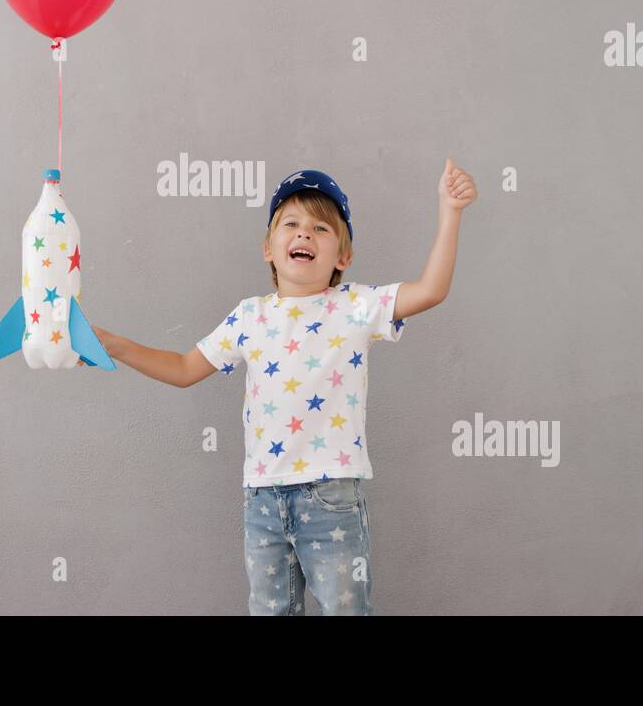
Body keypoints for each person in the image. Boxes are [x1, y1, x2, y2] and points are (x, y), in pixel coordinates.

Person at [94, 158, 476, 614]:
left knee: (347, 609)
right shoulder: (249, 316)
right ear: (269, 249)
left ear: (342, 257)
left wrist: (450, 212)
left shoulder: (356, 305)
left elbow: (431, 289)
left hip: (331, 495)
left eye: (320, 229)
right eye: (291, 224)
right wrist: (115, 346)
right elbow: (182, 368)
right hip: (262, 500)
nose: (304, 234)